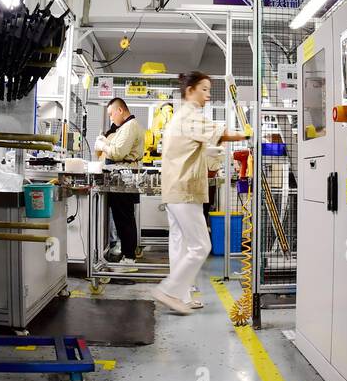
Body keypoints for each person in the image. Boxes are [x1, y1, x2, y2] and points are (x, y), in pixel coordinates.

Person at [153, 71, 249, 314]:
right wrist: (247, 133)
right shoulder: (189, 115)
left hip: (175, 190)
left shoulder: (181, 116)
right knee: (200, 246)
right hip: (184, 190)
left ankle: (181, 297)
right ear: (190, 91)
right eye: (204, 89)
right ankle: (169, 291)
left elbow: (208, 141)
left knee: (180, 245)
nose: (208, 95)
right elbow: (220, 133)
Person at [95, 97, 144, 265]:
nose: (111, 118)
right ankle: (126, 254)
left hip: (124, 175)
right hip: (120, 175)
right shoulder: (125, 127)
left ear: (120, 110)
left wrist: (103, 145)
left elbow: (117, 153)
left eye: (111, 114)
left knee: (124, 217)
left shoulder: (130, 126)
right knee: (121, 216)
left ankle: (129, 257)